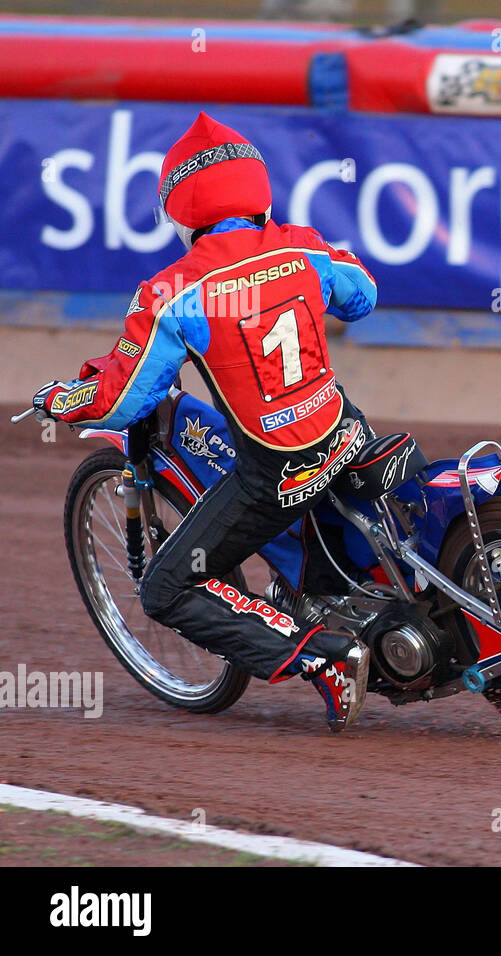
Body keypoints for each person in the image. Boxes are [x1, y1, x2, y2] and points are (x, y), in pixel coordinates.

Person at [32, 112, 377, 731]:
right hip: (347, 433)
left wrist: (60, 401)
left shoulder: (174, 292)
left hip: (277, 473)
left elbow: (125, 403)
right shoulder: (303, 244)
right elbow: (362, 296)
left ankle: (324, 657)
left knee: (165, 590)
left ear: (182, 209)